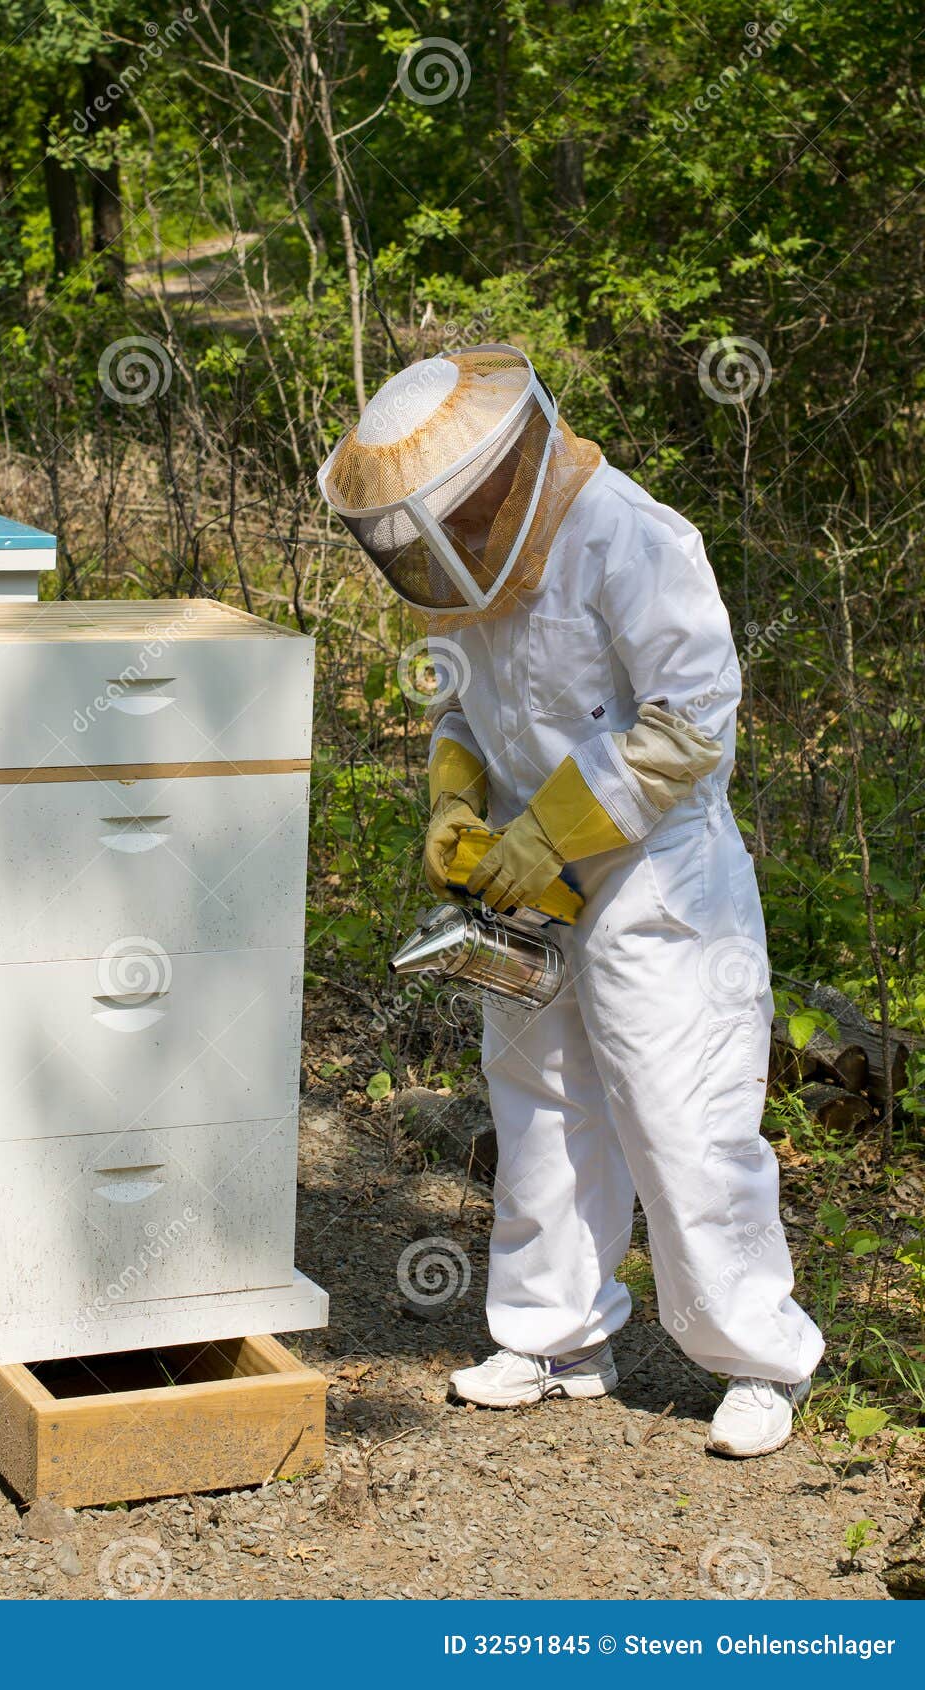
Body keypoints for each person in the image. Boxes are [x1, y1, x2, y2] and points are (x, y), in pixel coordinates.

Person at [318, 344, 823, 1457]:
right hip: (525, 880)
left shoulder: (634, 538)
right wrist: (455, 799)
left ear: (496, 480)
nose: (423, 562)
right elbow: (462, 708)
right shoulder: (468, 566)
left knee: (682, 1115)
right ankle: (555, 1337)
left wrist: (554, 825)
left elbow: (690, 720)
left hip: (655, 882)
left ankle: (755, 1358)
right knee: (536, 1103)